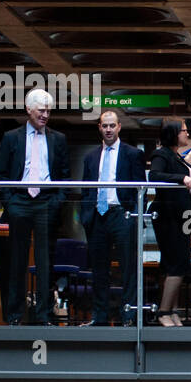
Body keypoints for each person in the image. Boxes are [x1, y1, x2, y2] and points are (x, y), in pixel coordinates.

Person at [0, 88, 69, 325]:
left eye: (48, 110)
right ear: (29, 109)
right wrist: (10, 202)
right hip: (20, 201)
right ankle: (14, 316)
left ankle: (44, 315)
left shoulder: (59, 138)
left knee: (45, 262)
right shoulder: (11, 137)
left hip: (47, 201)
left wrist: (57, 201)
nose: (46, 115)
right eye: (41, 110)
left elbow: (65, 177)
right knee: (17, 261)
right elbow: (2, 175)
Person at [79, 110, 145, 325]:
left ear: (119, 127)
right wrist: (86, 214)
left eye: (112, 125)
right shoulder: (90, 157)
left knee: (128, 268)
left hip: (122, 214)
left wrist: (135, 217)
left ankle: (129, 317)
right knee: (99, 270)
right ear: (99, 127)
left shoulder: (132, 154)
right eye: (104, 125)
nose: (108, 129)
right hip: (97, 216)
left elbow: (139, 189)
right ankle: (100, 317)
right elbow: (85, 189)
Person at [147, 117, 191, 327]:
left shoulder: (177, 157)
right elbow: (154, 175)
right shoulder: (162, 154)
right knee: (175, 263)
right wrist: (182, 179)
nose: (187, 134)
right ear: (174, 133)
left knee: (181, 263)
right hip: (168, 216)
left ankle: (173, 310)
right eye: (184, 130)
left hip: (183, 215)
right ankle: (163, 311)